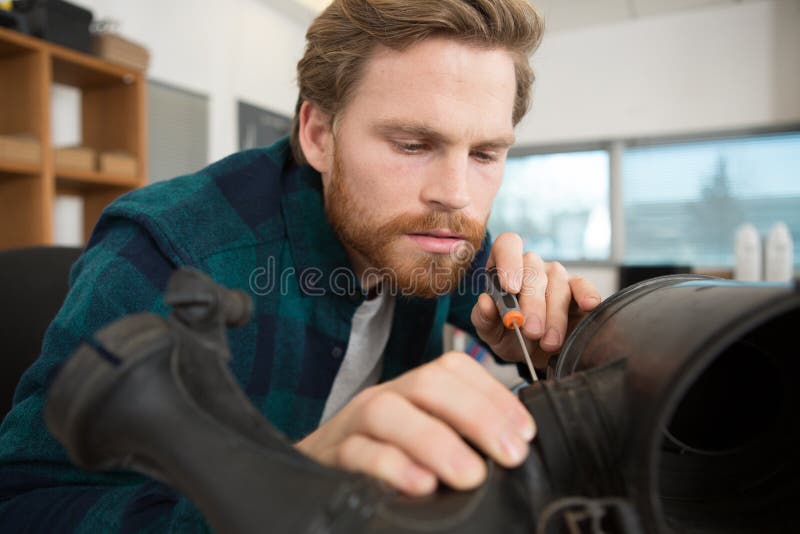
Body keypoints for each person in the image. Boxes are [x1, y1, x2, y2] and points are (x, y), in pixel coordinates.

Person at [0, 0, 601, 530]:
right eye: (413, 145)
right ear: (317, 133)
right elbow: (21, 505)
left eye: (485, 153)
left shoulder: (433, 227)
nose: (456, 195)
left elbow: (501, 310)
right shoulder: (168, 249)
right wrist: (278, 493)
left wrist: (549, 338)